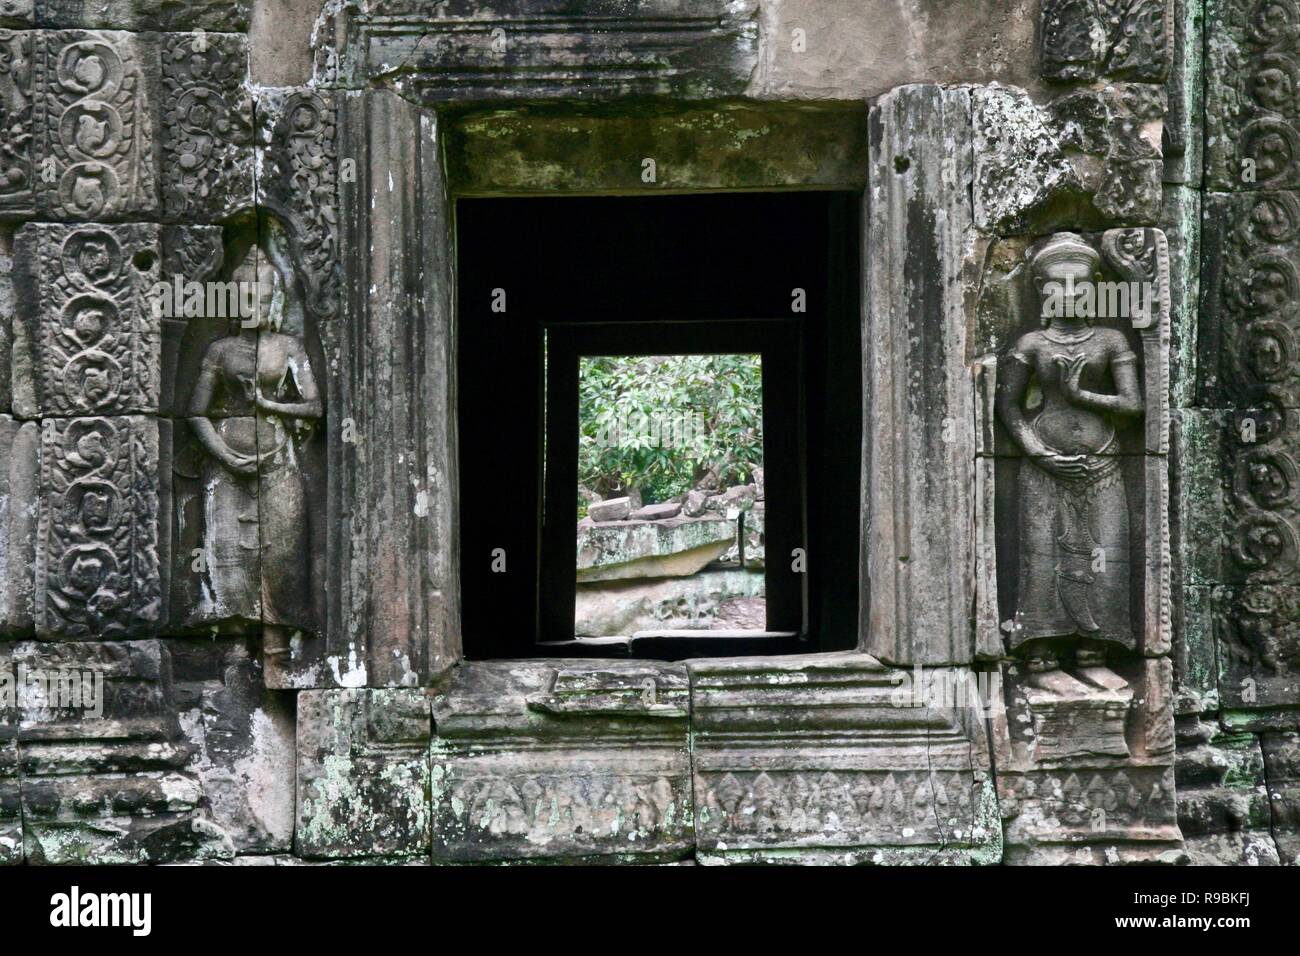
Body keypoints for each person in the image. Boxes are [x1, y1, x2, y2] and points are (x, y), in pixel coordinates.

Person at [995, 232, 1144, 695]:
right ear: (1043, 292)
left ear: (1097, 287)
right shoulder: (1034, 343)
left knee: (1108, 556)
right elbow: (1008, 408)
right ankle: (1041, 658)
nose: (1070, 295)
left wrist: (1083, 395)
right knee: (1043, 560)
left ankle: (1093, 654)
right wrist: (1039, 453)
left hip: (1103, 464)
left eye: (1080, 286)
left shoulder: (1110, 339)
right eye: (1058, 287)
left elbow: (1134, 406)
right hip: (1044, 466)